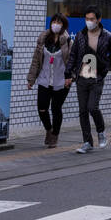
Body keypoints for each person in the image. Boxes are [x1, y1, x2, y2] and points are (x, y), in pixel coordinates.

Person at [66, 7, 111, 153]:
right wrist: (69, 72)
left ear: (98, 20)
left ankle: (101, 133)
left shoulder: (107, 36)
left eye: (92, 19)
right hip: (82, 77)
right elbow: (73, 55)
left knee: (92, 107)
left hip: (97, 78)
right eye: (87, 19)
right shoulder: (80, 35)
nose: (89, 22)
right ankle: (87, 142)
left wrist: (105, 67)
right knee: (83, 111)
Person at [27, 12, 71, 146]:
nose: (56, 25)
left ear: (63, 25)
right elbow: (36, 61)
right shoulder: (43, 39)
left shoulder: (68, 42)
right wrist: (31, 79)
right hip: (44, 80)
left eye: (59, 22)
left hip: (61, 82)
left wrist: (70, 77)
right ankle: (49, 129)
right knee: (42, 108)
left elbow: (73, 62)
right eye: (54, 21)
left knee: (56, 109)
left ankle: (55, 136)